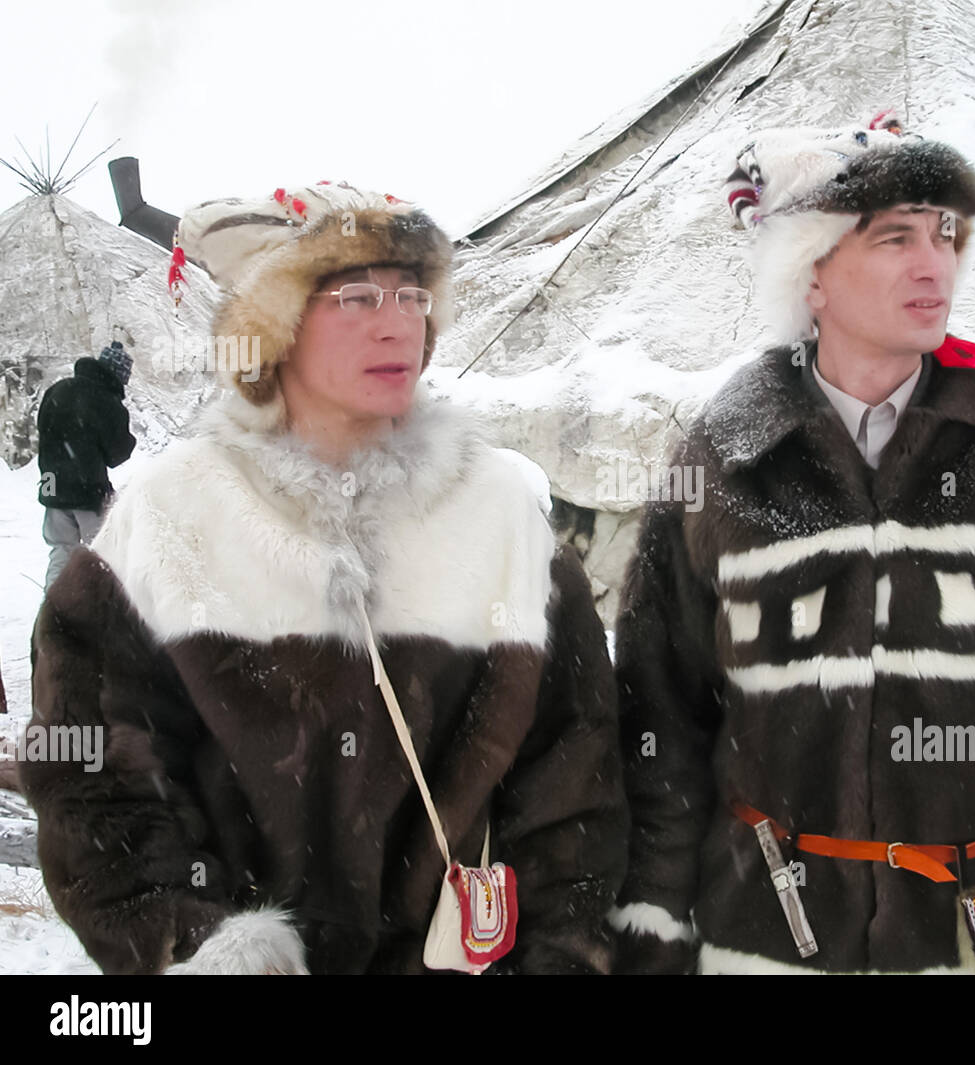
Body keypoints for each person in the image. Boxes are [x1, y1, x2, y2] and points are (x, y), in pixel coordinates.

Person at [609, 118, 975, 974]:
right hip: (769, 934)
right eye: (896, 237)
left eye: (946, 232)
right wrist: (650, 938)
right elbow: (662, 725)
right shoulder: (725, 458)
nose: (935, 263)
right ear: (813, 275)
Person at [23, 182, 627, 974]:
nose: (398, 320)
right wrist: (193, 941)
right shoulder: (170, 518)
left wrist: (554, 953)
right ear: (273, 330)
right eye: (356, 295)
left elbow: (573, 772)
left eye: (414, 294)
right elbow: (91, 774)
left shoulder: (500, 515)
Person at [35, 340, 136, 589]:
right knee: (103, 557)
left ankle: (53, 612)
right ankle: (99, 620)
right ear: (119, 376)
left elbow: (42, 431)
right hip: (89, 492)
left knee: (61, 552)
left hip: (52, 486)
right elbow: (117, 455)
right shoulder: (108, 403)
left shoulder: (57, 390)